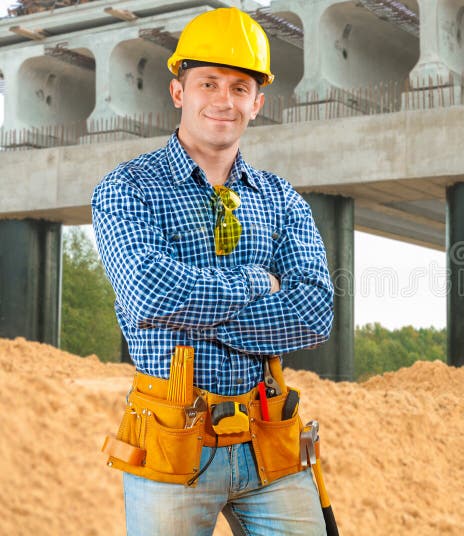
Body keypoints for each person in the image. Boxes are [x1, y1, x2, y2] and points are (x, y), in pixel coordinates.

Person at [92, 7, 333, 536]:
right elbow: (150, 295)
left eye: (240, 87)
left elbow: (314, 312)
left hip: (269, 438)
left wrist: (188, 309)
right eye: (209, 83)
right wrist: (255, 283)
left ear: (258, 102)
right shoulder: (127, 189)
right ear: (179, 92)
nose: (224, 100)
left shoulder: (281, 199)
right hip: (171, 442)